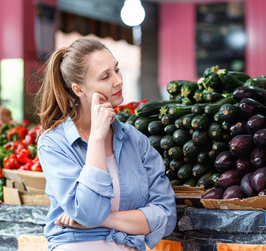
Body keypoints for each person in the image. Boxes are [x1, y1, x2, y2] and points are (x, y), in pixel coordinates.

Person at [36, 38, 177, 251]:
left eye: (117, 70)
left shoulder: (135, 140)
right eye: (105, 76)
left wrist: (103, 220)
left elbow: (166, 215)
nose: (118, 80)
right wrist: (96, 138)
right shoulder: (54, 144)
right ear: (79, 90)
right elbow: (89, 211)